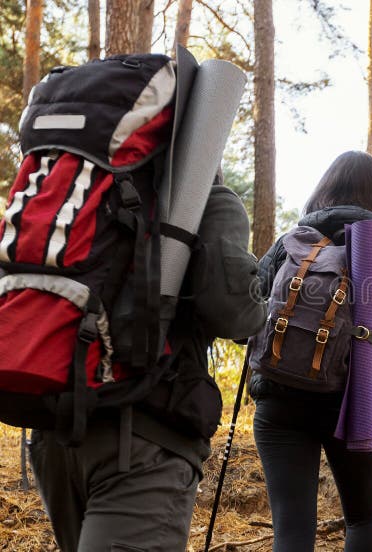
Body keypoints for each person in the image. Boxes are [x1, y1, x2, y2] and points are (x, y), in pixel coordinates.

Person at [29, 180, 267, 551]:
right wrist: (259, 298)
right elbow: (232, 313)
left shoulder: (71, 185)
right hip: (145, 434)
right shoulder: (204, 197)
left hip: (55, 427)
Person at [248, 150, 372, 552]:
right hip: (350, 402)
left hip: (278, 402)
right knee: (362, 519)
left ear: (324, 190)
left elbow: (244, 320)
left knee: (290, 530)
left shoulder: (289, 245)